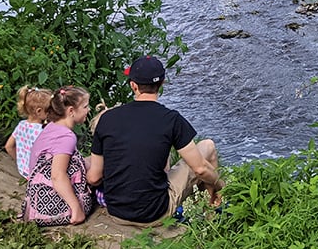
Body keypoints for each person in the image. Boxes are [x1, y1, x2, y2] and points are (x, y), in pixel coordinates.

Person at [87, 55, 224, 225]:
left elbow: (93, 178)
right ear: (162, 83)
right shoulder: (171, 119)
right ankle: (212, 215)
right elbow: (200, 170)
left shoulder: (107, 118)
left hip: (117, 212)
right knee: (207, 146)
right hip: (155, 213)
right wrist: (222, 185)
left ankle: (209, 211)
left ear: (133, 85)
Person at [21, 86, 93, 226]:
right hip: (52, 203)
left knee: (93, 161)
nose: (88, 110)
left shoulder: (51, 126)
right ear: (71, 111)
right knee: (97, 169)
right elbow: (57, 176)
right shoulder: (66, 137)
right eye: (85, 106)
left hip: (37, 192)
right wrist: (76, 209)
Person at [4, 86, 52, 179]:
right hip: (40, 174)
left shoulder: (21, 125)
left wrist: (20, 162)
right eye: (49, 111)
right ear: (39, 111)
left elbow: (8, 147)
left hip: (24, 171)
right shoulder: (42, 131)